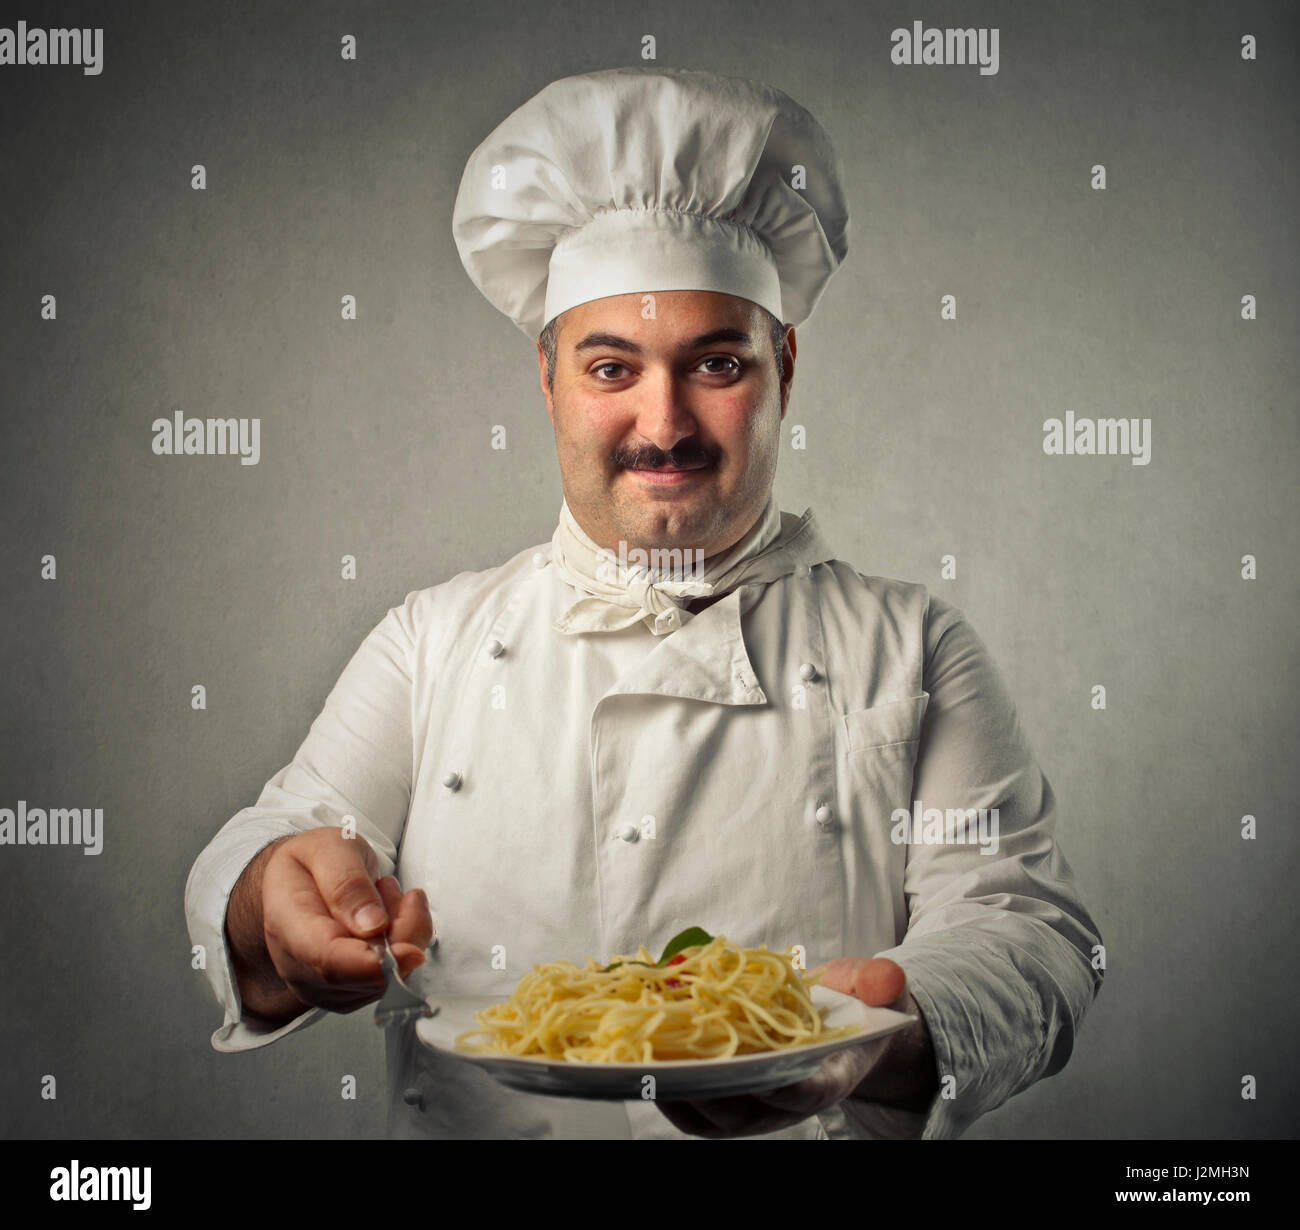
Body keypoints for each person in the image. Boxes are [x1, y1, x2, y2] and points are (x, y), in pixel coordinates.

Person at [185, 66, 1103, 1140]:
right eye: (610, 368)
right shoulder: (430, 642)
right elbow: (288, 837)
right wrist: (273, 903)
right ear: (547, 378)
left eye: (714, 362)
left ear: (784, 367)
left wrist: (888, 1042)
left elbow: (1024, 929)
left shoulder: (913, 647)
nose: (662, 424)